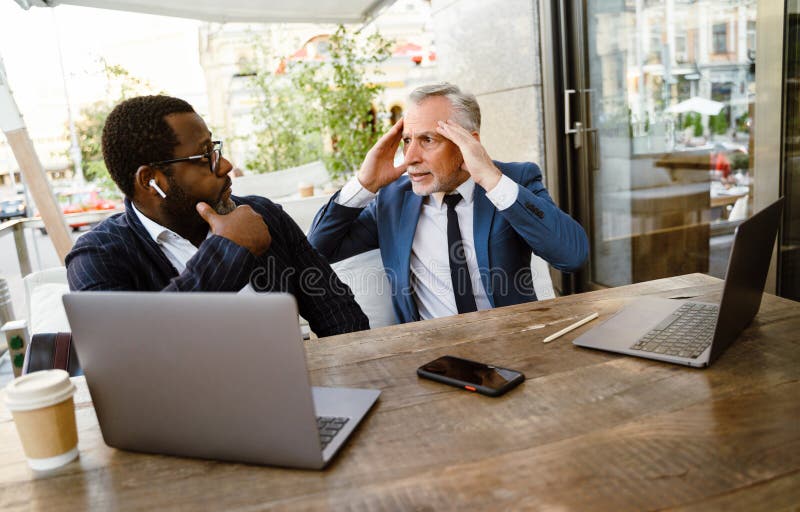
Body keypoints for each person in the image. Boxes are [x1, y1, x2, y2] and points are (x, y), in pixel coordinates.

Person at [66, 95, 369, 337]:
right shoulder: (97, 256)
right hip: (182, 414)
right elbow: (127, 351)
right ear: (151, 181)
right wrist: (229, 249)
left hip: (296, 396)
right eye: (204, 155)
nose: (225, 165)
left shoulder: (261, 214)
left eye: (215, 148)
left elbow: (340, 316)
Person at [308, 83, 588, 323]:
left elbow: (571, 256)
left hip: (513, 343)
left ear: (468, 142)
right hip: (431, 354)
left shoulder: (513, 180)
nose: (411, 157)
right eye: (407, 140)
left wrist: (491, 179)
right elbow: (315, 251)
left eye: (428, 139)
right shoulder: (393, 199)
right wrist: (364, 185)